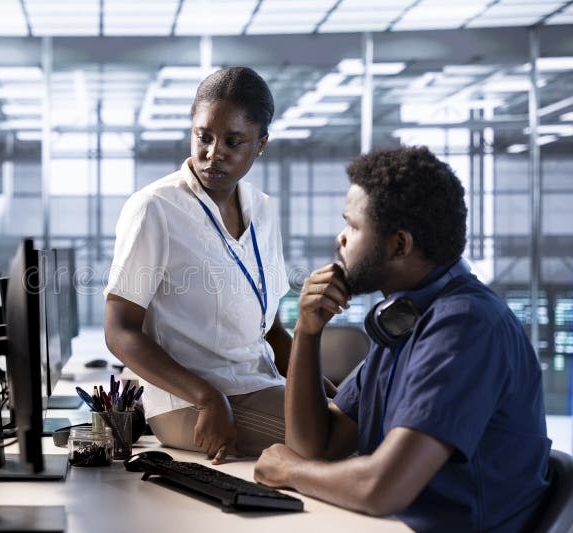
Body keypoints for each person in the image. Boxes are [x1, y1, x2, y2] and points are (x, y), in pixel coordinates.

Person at [254, 146, 551, 532]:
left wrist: (290, 471)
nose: (340, 239)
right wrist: (308, 333)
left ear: (399, 245)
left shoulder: (465, 326)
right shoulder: (402, 322)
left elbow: (382, 488)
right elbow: (316, 445)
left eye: (354, 227)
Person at [104, 67, 335, 465]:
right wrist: (206, 397)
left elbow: (272, 330)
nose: (214, 153)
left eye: (233, 141)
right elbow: (119, 330)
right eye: (204, 137)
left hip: (257, 384)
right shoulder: (155, 208)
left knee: (353, 411)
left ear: (260, 144)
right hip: (192, 404)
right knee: (339, 436)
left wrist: (319, 386)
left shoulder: (263, 209)